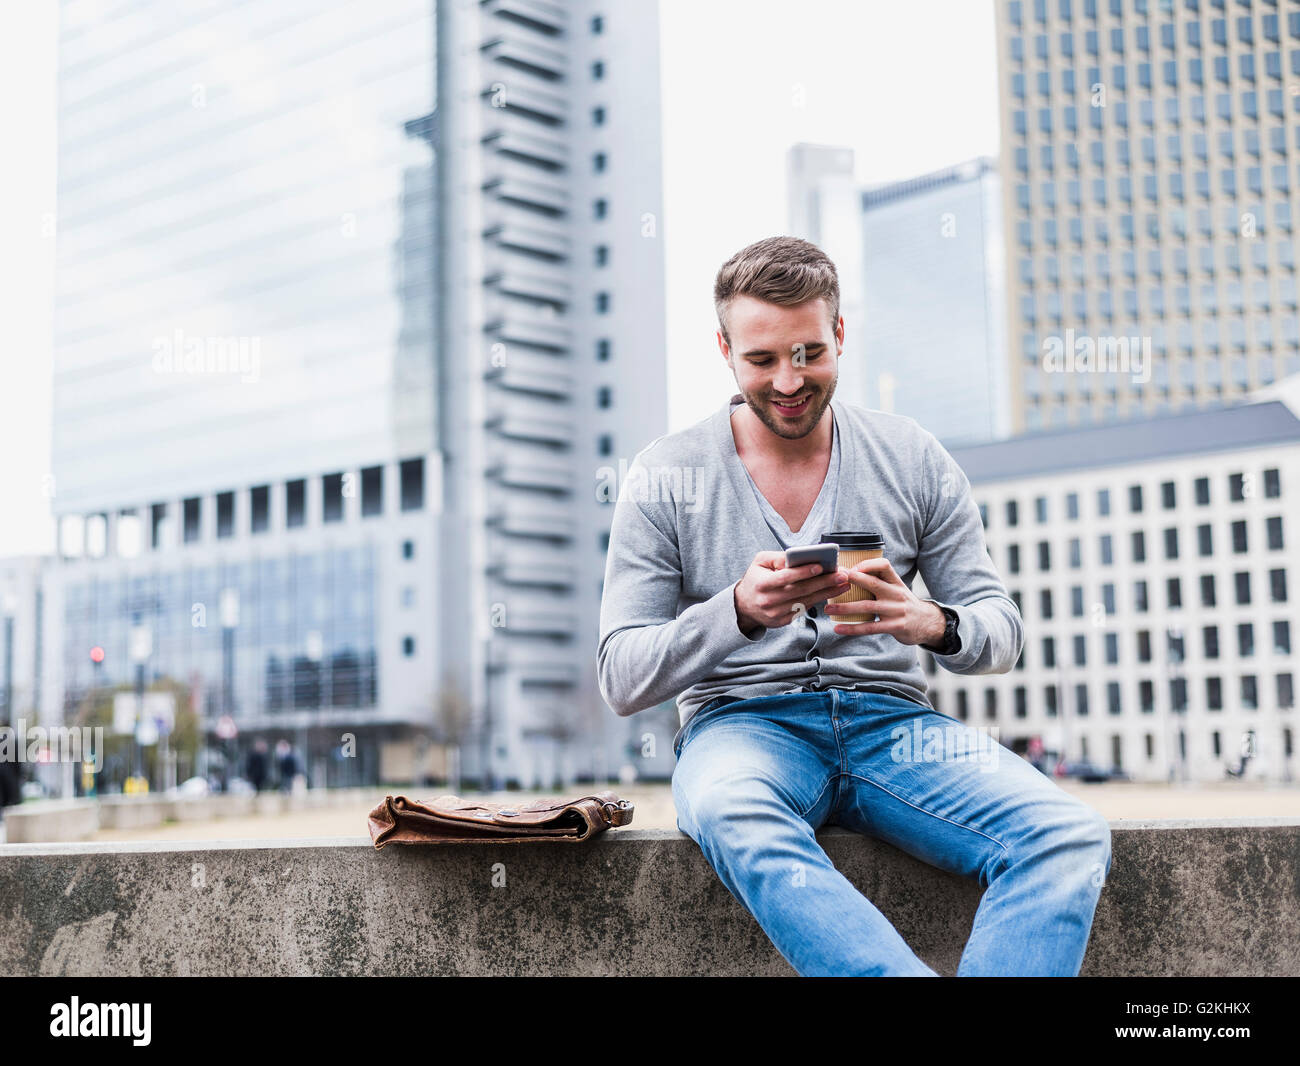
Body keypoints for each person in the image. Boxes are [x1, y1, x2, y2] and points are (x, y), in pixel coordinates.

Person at [597, 235, 1112, 976]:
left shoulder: (912, 455)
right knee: (733, 814)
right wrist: (736, 611)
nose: (788, 380)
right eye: (762, 359)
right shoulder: (665, 473)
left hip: (894, 725)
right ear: (724, 350)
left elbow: (1002, 630)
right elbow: (620, 674)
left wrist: (930, 622)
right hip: (743, 727)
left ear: (839, 335)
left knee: (1066, 836)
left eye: (809, 353)